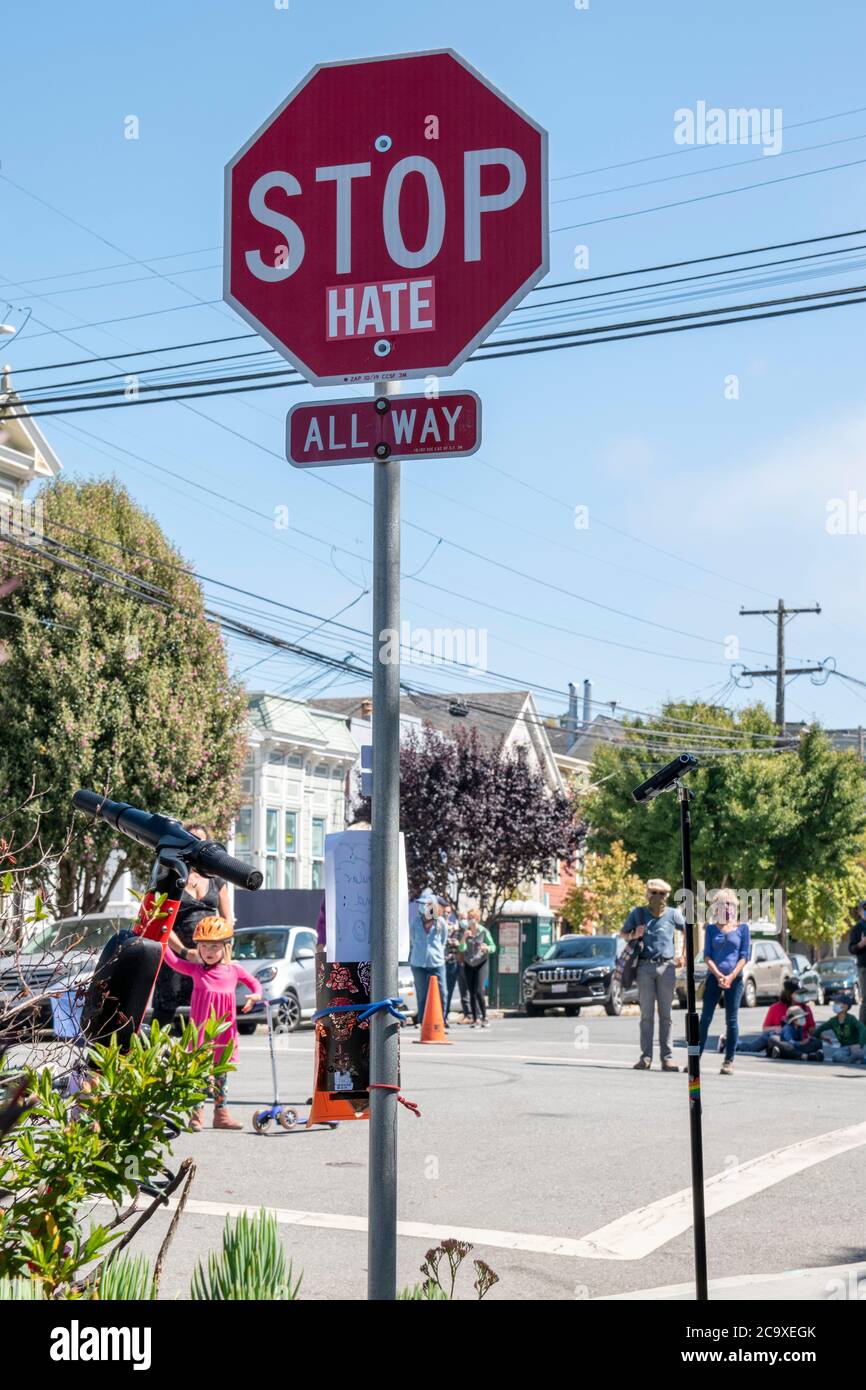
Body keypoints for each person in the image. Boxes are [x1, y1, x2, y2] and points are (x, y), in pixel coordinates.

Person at [162, 915, 262, 1130]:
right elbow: (173, 961)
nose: (208, 951)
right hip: (201, 1033)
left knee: (220, 1074)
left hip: (224, 1032)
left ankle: (221, 1115)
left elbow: (254, 983)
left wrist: (256, 996)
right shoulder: (196, 969)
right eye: (204, 946)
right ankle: (197, 1115)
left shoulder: (234, 970)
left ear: (225, 948)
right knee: (201, 1074)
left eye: (214, 947)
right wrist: (160, 940)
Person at [151, 823, 232, 1030]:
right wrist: (186, 952)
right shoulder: (172, 875)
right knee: (165, 1016)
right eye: (191, 839)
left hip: (208, 957)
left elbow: (227, 920)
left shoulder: (217, 879)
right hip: (178, 956)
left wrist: (224, 953)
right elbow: (162, 921)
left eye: (201, 840)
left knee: (203, 1017)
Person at [622, 877, 685, 1072]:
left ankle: (667, 1058)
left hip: (666, 967)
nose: (658, 897)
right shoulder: (638, 913)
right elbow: (623, 934)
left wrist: (682, 955)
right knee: (646, 1015)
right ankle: (646, 1057)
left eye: (662, 894)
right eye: (654, 893)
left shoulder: (673, 914)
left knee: (666, 1015)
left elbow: (687, 930)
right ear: (647, 894)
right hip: (644, 967)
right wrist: (635, 934)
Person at [698, 888, 750, 1075]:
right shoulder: (711, 929)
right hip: (714, 978)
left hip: (734, 980)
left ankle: (728, 1061)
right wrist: (719, 974)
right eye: (721, 903)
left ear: (735, 906)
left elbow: (744, 955)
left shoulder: (742, 928)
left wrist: (731, 976)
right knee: (704, 1019)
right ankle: (695, 1058)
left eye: (729, 903)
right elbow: (707, 956)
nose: (725, 907)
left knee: (732, 1020)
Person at [728, 979, 816, 1055]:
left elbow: (812, 1031)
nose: (802, 995)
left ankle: (782, 1052)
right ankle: (728, 1042)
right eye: (799, 993)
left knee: (815, 1043)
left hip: (799, 1042)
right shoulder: (775, 1008)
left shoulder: (806, 1008)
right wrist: (776, 1028)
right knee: (763, 1042)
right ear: (790, 994)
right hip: (781, 1040)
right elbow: (765, 1029)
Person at [409, 890, 448, 1028]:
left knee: (442, 992)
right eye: (422, 904)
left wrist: (436, 952)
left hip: (436, 962)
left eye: (426, 904)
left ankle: (442, 1020)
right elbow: (412, 940)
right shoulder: (415, 922)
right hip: (418, 962)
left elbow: (443, 940)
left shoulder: (441, 922)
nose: (423, 907)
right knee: (422, 993)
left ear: (433, 906)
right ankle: (422, 1020)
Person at [460, 910, 496, 1028]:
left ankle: (484, 1017)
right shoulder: (466, 932)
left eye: (473, 917)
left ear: (477, 919)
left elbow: (493, 947)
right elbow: (461, 949)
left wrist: (487, 948)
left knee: (479, 990)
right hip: (469, 964)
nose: (470, 919)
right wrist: (464, 938)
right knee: (472, 992)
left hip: (481, 962)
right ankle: (476, 1019)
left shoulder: (484, 932)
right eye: (469, 917)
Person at [815, 992, 866, 1063]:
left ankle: (858, 1058)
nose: (834, 1004)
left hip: (857, 1046)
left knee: (860, 1053)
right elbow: (818, 1030)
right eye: (835, 1002)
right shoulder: (833, 1021)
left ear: (845, 1006)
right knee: (836, 1056)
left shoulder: (851, 1019)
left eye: (837, 1003)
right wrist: (823, 1037)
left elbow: (863, 1029)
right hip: (845, 1048)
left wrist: (859, 1044)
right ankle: (855, 1060)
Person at [445, 916, 471, 1023]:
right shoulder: (455, 931)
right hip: (452, 963)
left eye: (465, 918)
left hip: (466, 964)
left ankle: (468, 1014)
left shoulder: (471, 933)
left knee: (466, 991)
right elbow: (448, 941)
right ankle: (444, 1014)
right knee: (448, 991)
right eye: (461, 918)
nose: (463, 920)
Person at [848, 901, 866, 1025]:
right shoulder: (857, 928)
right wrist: (861, 944)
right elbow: (851, 949)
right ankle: (863, 1028)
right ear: (860, 912)